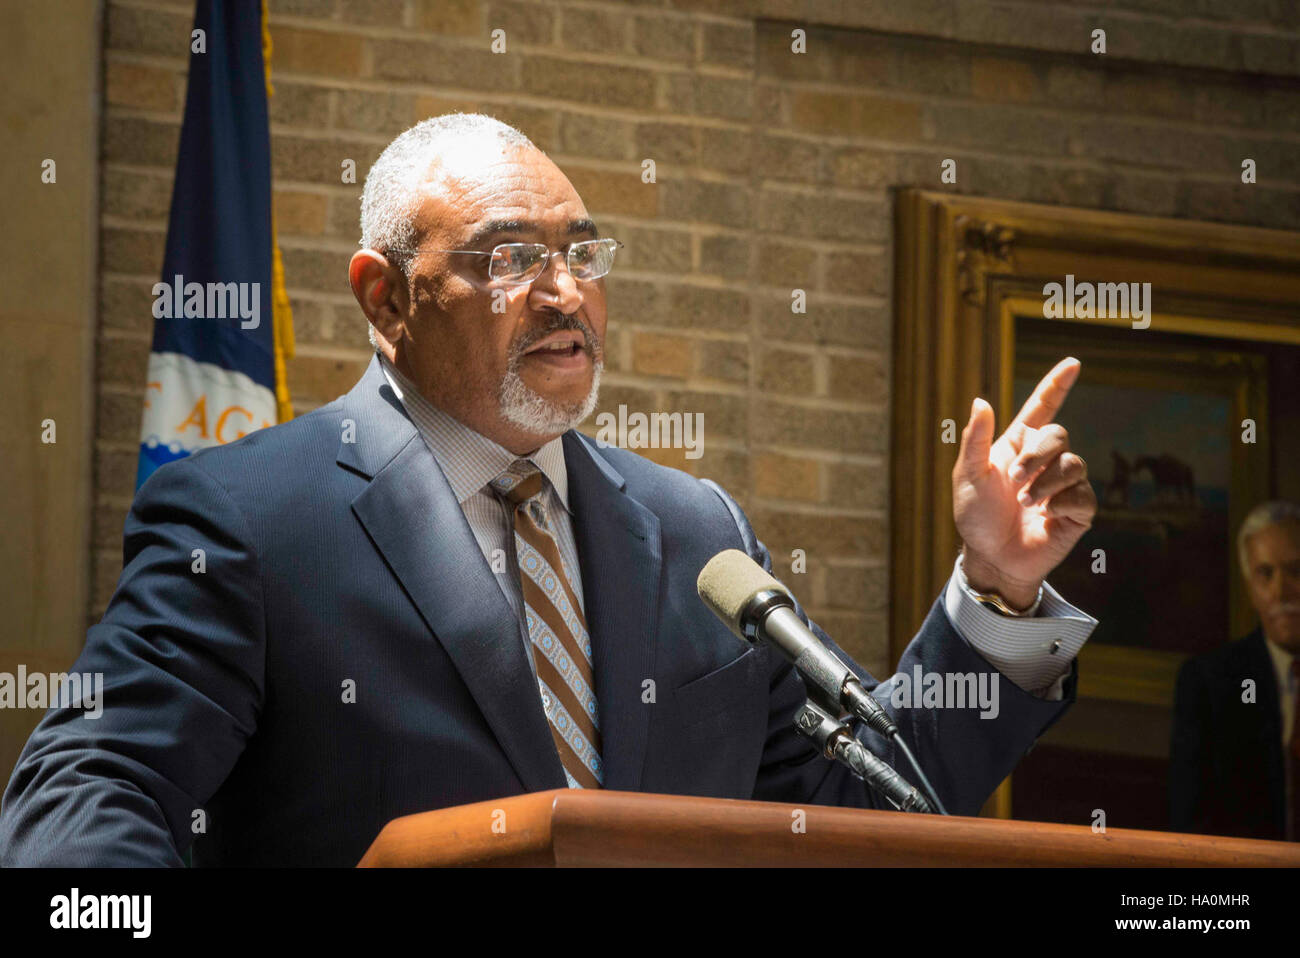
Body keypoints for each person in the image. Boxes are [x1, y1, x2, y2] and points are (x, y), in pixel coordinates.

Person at [0, 113, 1099, 866]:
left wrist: (995, 595)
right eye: (509, 257)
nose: (566, 290)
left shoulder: (694, 534)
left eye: (582, 251)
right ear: (386, 300)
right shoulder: (249, 518)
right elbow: (91, 790)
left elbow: (870, 817)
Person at [1170, 500, 1300, 840]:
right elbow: (1190, 824)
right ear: (1249, 588)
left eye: (1296, 570)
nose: (1281, 591)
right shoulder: (1209, 682)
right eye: (1265, 573)